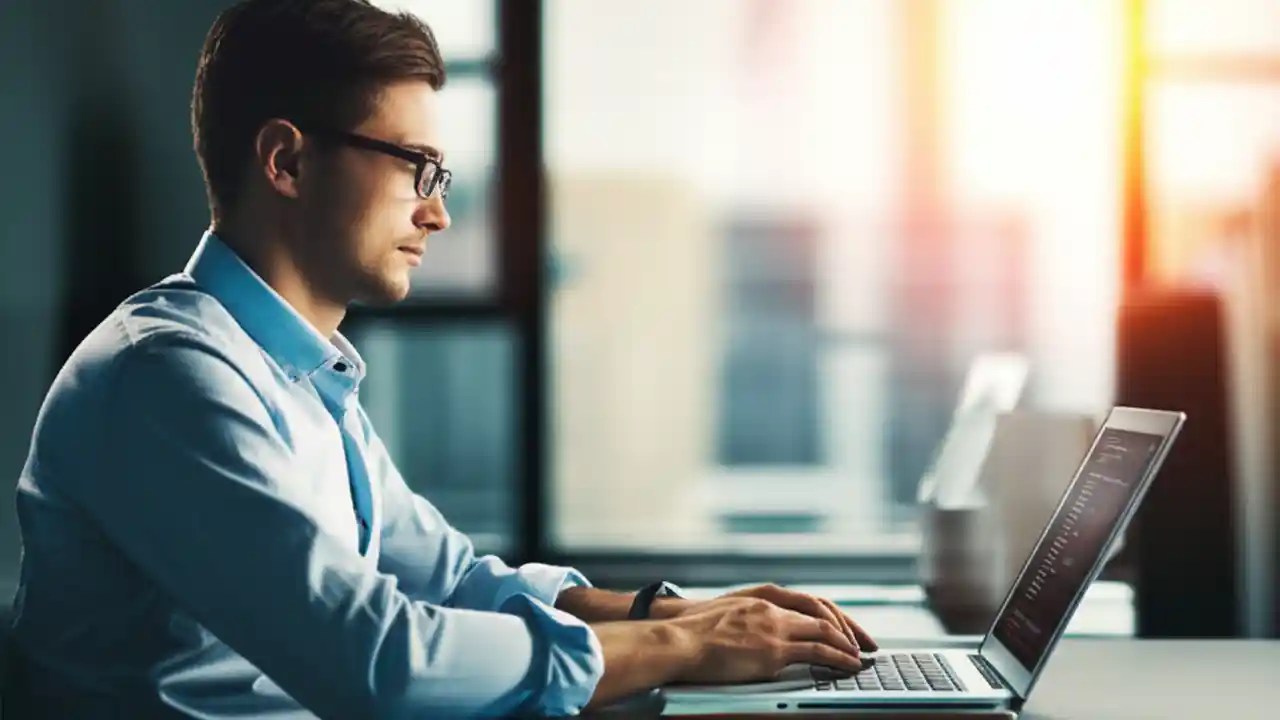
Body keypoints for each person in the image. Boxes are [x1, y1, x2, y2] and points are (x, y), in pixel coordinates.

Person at [7, 0, 876, 717]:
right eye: (416, 167)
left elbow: (450, 579)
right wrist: (678, 647)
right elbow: (382, 659)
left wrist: (679, 612)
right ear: (286, 161)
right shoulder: (168, 378)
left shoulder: (302, 376)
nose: (438, 214)